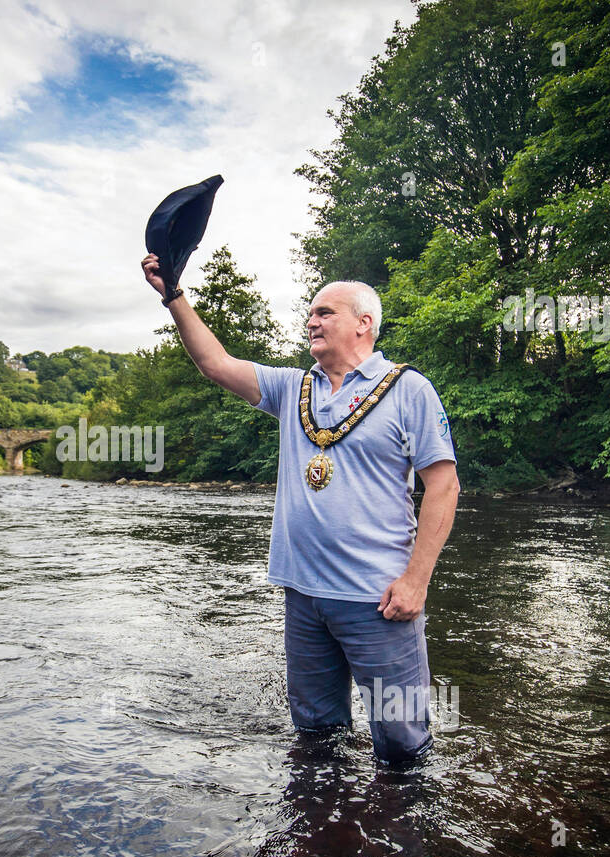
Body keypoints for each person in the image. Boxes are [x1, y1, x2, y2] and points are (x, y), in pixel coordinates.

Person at [140, 254, 460, 764]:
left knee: (402, 745)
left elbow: (443, 486)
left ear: (364, 324)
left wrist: (416, 582)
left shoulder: (409, 390)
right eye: (309, 313)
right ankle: (322, 834)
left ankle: (399, 836)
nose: (310, 320)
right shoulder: (295, 388)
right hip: (303, 595)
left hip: (376, 598)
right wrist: (172, 294)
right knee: (315, 737)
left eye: (324, 312)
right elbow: (214, 364)